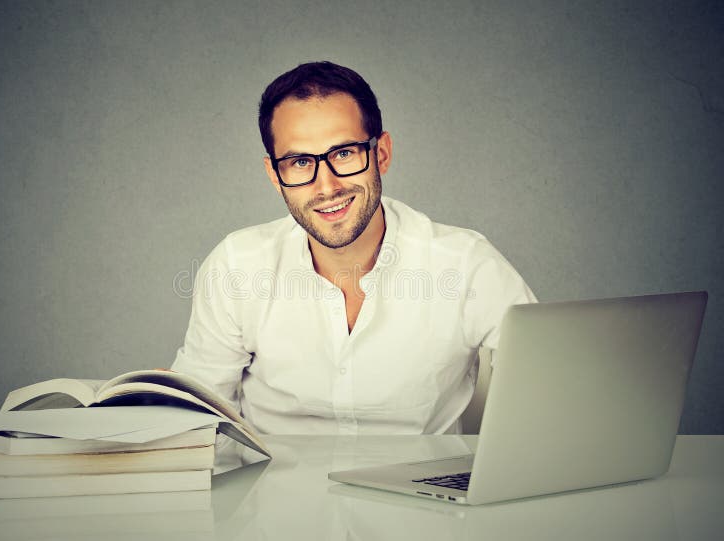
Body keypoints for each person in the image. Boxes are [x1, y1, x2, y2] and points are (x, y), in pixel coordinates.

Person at [171, 61, 536, 435]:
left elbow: (549, 392)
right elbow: (196, 419)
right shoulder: (236, 267)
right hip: (269, 487)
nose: (326, 187)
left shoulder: (466, 265)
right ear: (275, 176)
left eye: (344, 154)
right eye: (299, 162)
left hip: (417, 490)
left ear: (381, 154)